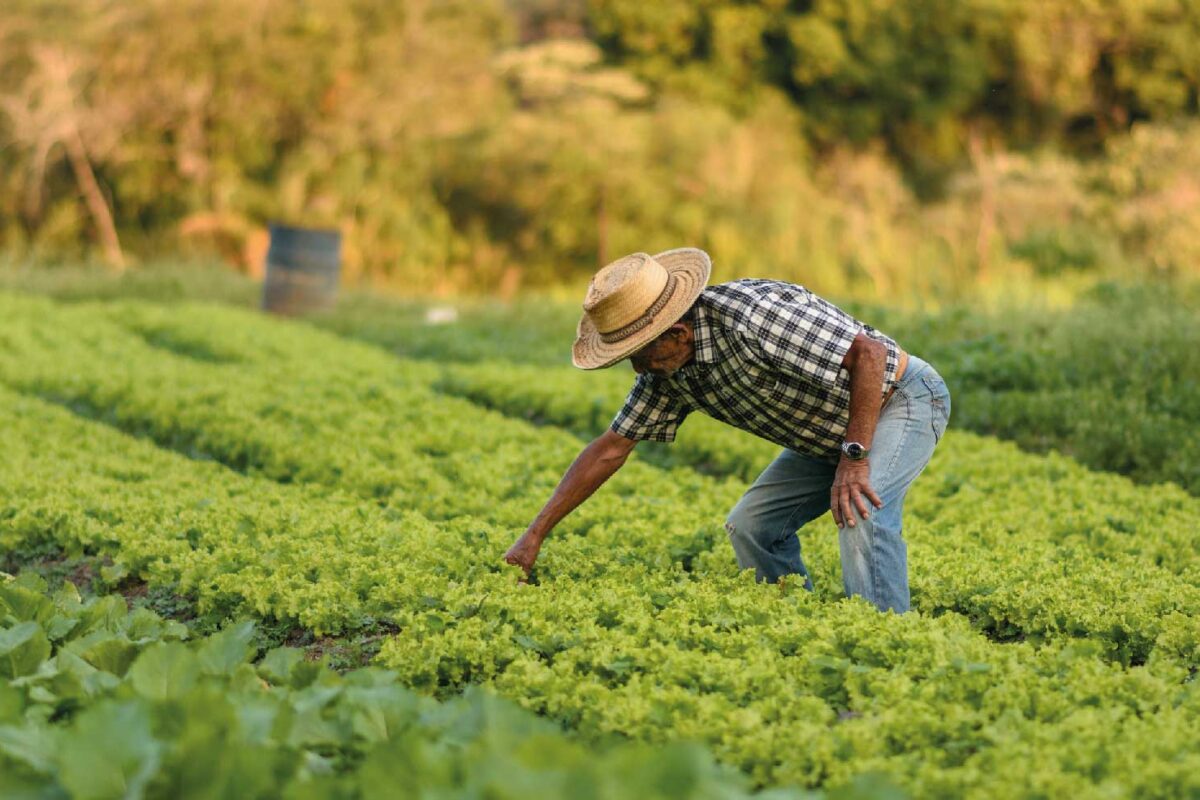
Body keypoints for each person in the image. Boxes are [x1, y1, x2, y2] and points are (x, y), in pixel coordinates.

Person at [503, 248, 950, 612]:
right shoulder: (667, 372)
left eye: (640, 353)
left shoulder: (755, 317)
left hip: (899, 398)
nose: (638, 368)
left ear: (676, 333)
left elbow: (869, 354)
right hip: (824, 429)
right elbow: (611, 448)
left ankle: (885, 646)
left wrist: (854, 458)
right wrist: (535, 534)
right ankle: (796, 622)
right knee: (752, 526)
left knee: (861, 512)